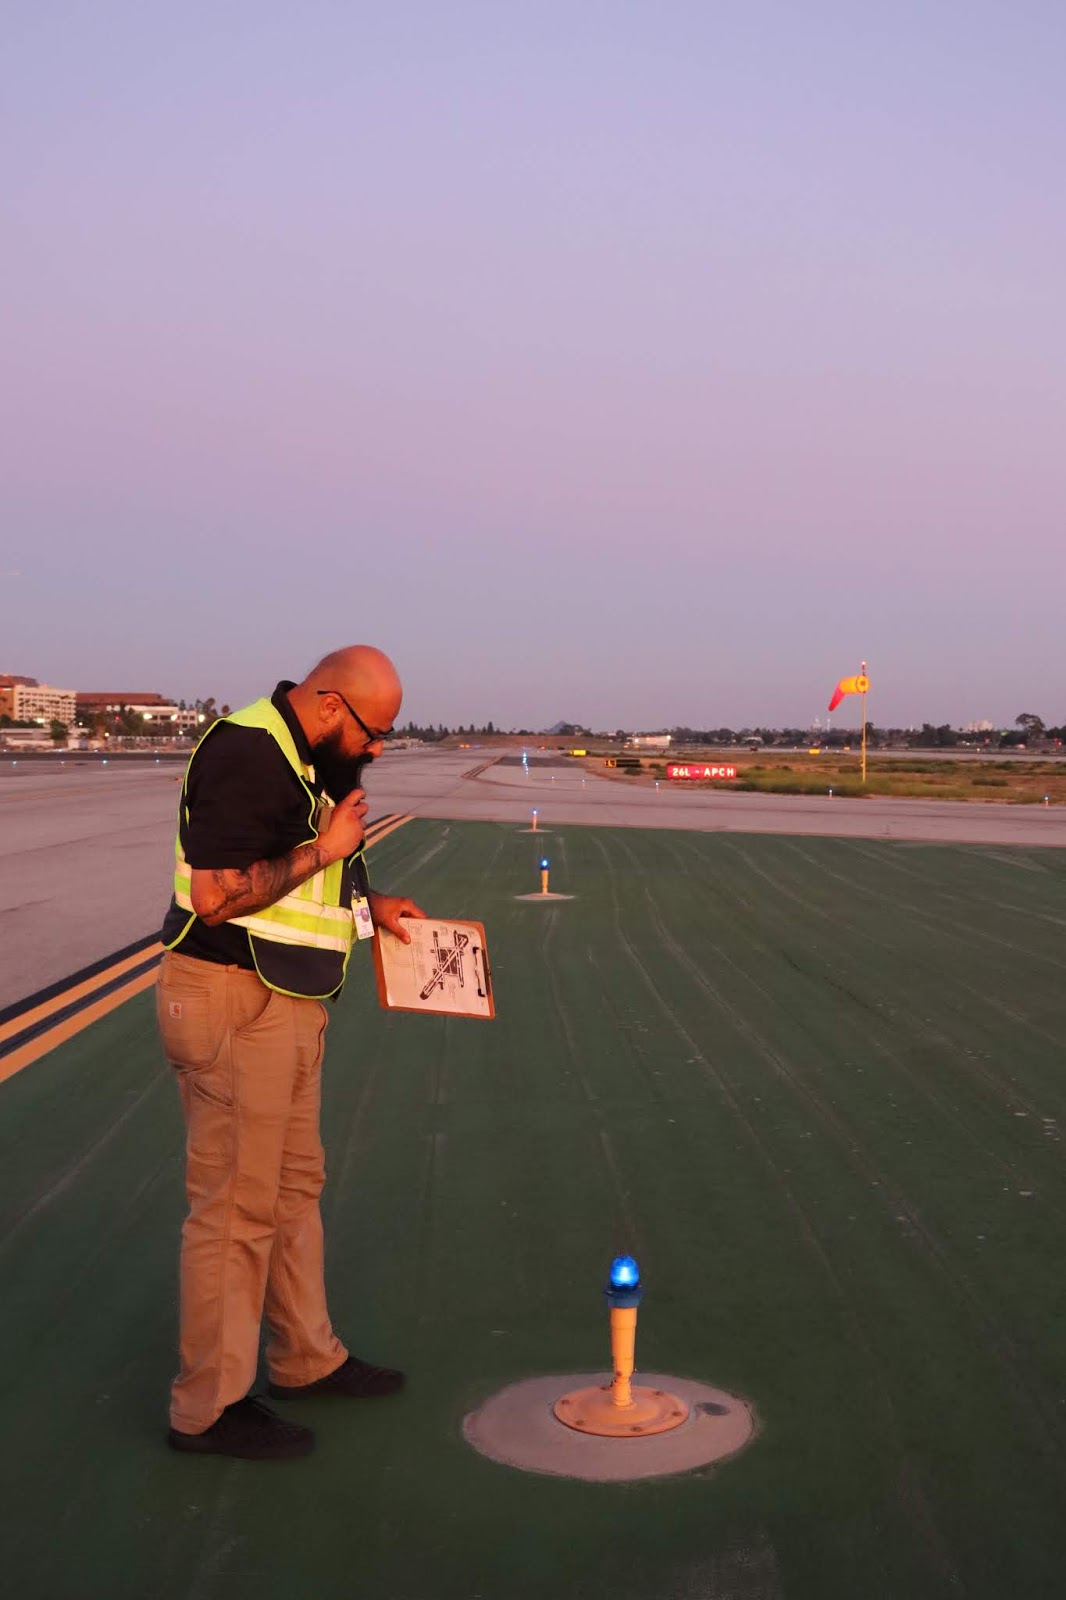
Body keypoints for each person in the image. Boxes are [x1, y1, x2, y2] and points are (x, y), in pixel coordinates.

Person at [155, 646, 426, 1461]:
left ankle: (304, 1358)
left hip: (292, 1002)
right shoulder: (247, 749)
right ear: (333, 705)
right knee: (234, 1210)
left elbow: (320, 885)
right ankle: (207, 1408)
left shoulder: (317, 763)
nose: (379, 747)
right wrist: (332, 848)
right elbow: (216, 894)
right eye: (376, 731)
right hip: (233, 1000)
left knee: (293, 1188)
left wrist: (375, 908)